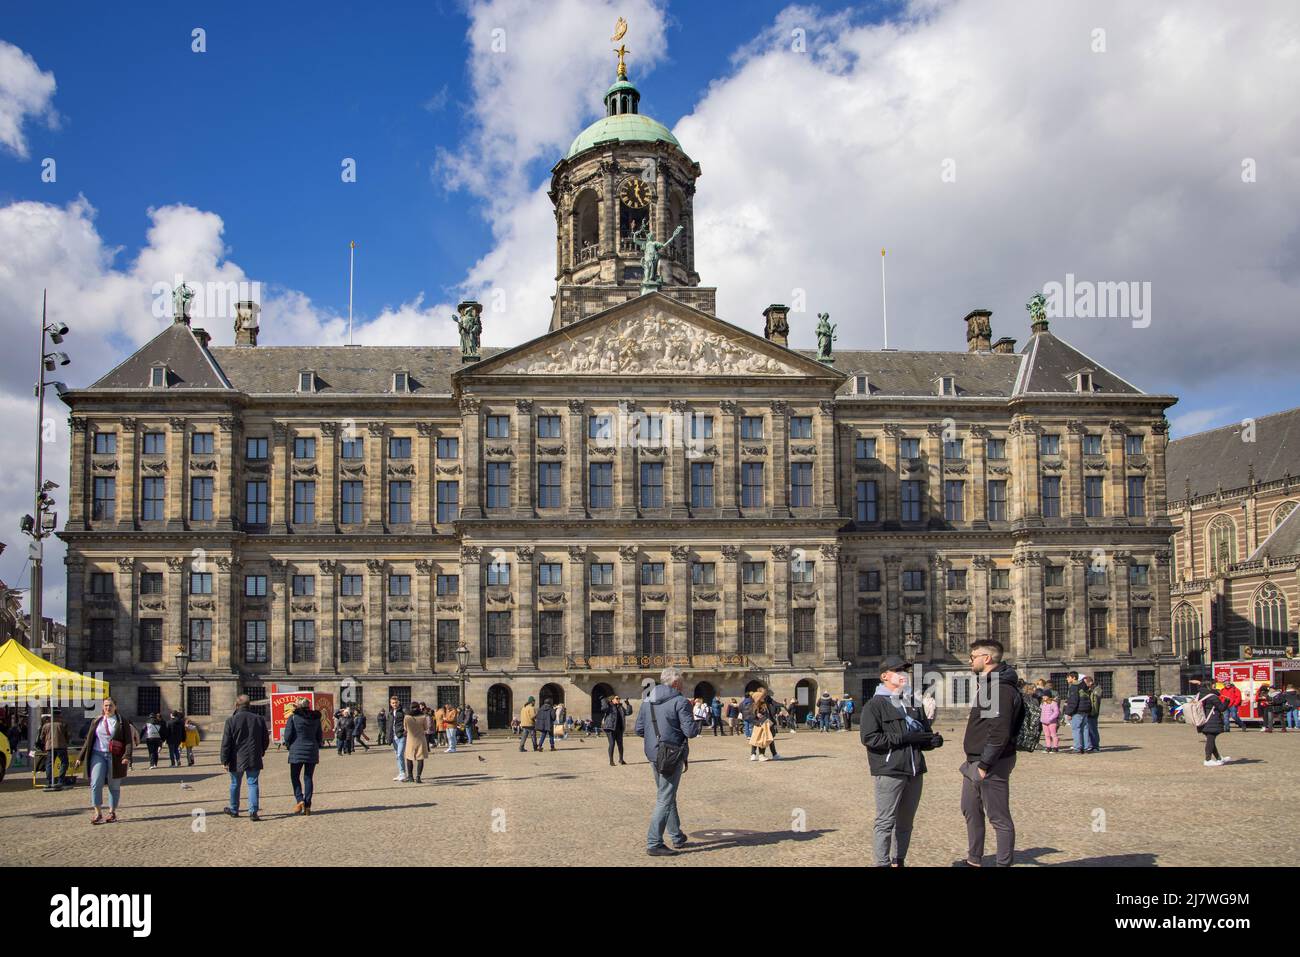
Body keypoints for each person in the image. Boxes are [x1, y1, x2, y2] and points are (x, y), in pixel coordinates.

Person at [861, 656, 943, 867]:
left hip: (915, 769)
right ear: (885, 676)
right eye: (899, 671)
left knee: (906, 823)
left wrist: (931, 741)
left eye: (906, 671)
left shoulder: (912, 703)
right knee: (885, 821)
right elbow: (870, 739)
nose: (904, 675)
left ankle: (899, 861)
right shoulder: (875, 705)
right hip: (890, 769)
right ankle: (882, 863)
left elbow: (923, 734)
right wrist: (904, 738)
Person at [959, 639, 1024, 867]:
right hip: (974, 760)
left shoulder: (1000, 688)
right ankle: (974, 859)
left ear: (986, 659)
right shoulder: (989, 684)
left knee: (998, 817)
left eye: (973, 656)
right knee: (969, 809)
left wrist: (985, 765)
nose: (969, 660)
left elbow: (999, 732)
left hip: (990, 762)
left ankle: (1003, 863)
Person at [634, 667, 699, 856]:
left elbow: (639, 730)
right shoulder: (680, 702)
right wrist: (696, 718)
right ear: (676, 683)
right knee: (664, 798)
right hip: (671, 754)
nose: (684, 684)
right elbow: (690, 732)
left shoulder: (647, 700)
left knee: (666, 795)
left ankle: (676, 835)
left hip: (653, 755)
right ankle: (654, 842)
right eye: (683, 681)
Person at [74, 697, 133, 825]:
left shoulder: (122, 722)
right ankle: (98, 812)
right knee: (95, 783)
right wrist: (80, 757)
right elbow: (89, 741)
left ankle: (112, 812)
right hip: (97, 754)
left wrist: (127, 756)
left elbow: (128, 741)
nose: (108, 708)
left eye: (110, 705)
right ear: (102, 707)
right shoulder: (97, 720)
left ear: (115, 707)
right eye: (106, 705)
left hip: (115, 756)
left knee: (114, 785)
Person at [220, 694, 270, 820]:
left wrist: (224, 760)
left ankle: (234, 809)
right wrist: (261, 751)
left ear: (237, 705)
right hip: (254, 756)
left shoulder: (231, 721)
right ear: (249, 705)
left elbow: (226, 742)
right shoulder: (259, 719)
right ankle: (253, 811)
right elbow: (265, 739)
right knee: (252, 784)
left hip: (235, 758)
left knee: (235, 784)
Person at [283, 697, 324, 814]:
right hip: (311, 750)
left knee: (295, 776)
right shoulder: (316, 719)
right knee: (308, 777)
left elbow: (288, 735)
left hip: (296, 750)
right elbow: (319, 736)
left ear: (298, 706)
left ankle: (300, 799)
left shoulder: (294, 717)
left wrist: (288, 745)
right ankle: (308, 805)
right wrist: (316, 745)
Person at [1189, 680, 1229, 765]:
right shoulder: (1212, 696)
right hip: (1212, 720)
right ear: (1209, 686)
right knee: (1210, 739)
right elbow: (1221, 708)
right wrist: (1227, 701)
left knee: (1211, 739)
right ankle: (1207, 760)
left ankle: (1218, 758)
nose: (1215, 687)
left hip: (1202, 720)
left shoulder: (1199, 695)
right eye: (1213, 685)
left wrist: (1199, 683)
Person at [39, 709, 71, 790]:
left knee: (49, 764)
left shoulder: (46, 725)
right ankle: (60, 780)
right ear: (60, 714)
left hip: (49, 747)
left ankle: (49, 781)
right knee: (64, 762)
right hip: (61, 746)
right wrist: (66, 741)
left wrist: (45, 743)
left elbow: (41, 737)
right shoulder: (63, 723)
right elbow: (68, 735)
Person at [1063, 672, 1093, 753]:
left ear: (1073, 678)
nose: (1067, 679)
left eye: (1068, 677)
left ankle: (1077, 748)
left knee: (1076, 729)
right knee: (1085, 729)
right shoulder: (1084, 686)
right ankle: (1086, 747)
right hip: (1085, 710)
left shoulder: (1074, 687)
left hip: (1077, 711)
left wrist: (1069, 713)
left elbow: (1073, 701)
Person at [748, 688, 780, 761]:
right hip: (759, 724)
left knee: (768, 738)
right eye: (763, 695)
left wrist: (772, 722)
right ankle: (758, 754)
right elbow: (750, 716)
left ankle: (773, 754)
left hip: (766, 723)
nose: (764, 696)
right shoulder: (754, 705)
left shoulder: (765, 703)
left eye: (765, 695)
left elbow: (769, 713)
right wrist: (757, 719)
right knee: (758, 739)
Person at [601, 693, 633, 766]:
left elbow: (628, 713)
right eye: (617, 698)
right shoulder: (609, 706)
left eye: (619, 698)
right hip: (610, 728)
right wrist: (603, 699)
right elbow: (603, 708)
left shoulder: (620, 707)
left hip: (619, 728)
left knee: (620, 745)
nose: (619, 700)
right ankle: (611, 761)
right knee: (612, 744)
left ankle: (621, 760)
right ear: (612, 700)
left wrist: (628, 704)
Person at [403, 703, 429, 783]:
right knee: (420, 758)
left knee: (409, 757)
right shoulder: (423, 717)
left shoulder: (407, 717)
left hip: (410, 739)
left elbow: (405, 728)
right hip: (421, 739)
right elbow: (426, 728)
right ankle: (418, 777)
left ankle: (410, 776)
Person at [387, 696, 407, 782]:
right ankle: (400, 772)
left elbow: (407, 721)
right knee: (397, 756)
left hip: (401, 735)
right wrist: (388, 737)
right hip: (394, 737)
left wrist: (405, 731)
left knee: (400, 754)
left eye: (396, 702)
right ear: (390, 704)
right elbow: (388, 726)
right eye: (393, 703)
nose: (394, 704)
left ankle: (403, 773)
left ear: (398, 702)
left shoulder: (403, 711)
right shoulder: (390, 713)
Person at [1083, 675, 1102, 752]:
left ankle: (1095, 746)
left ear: (1090, 682)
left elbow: (1095, 702)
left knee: (1093, 729)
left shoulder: (1096, 690)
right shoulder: (1088, 690)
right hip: (1087, 712)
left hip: (1093, 712)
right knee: (1087, 730)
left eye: (1085, 683)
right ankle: (1089, 745)